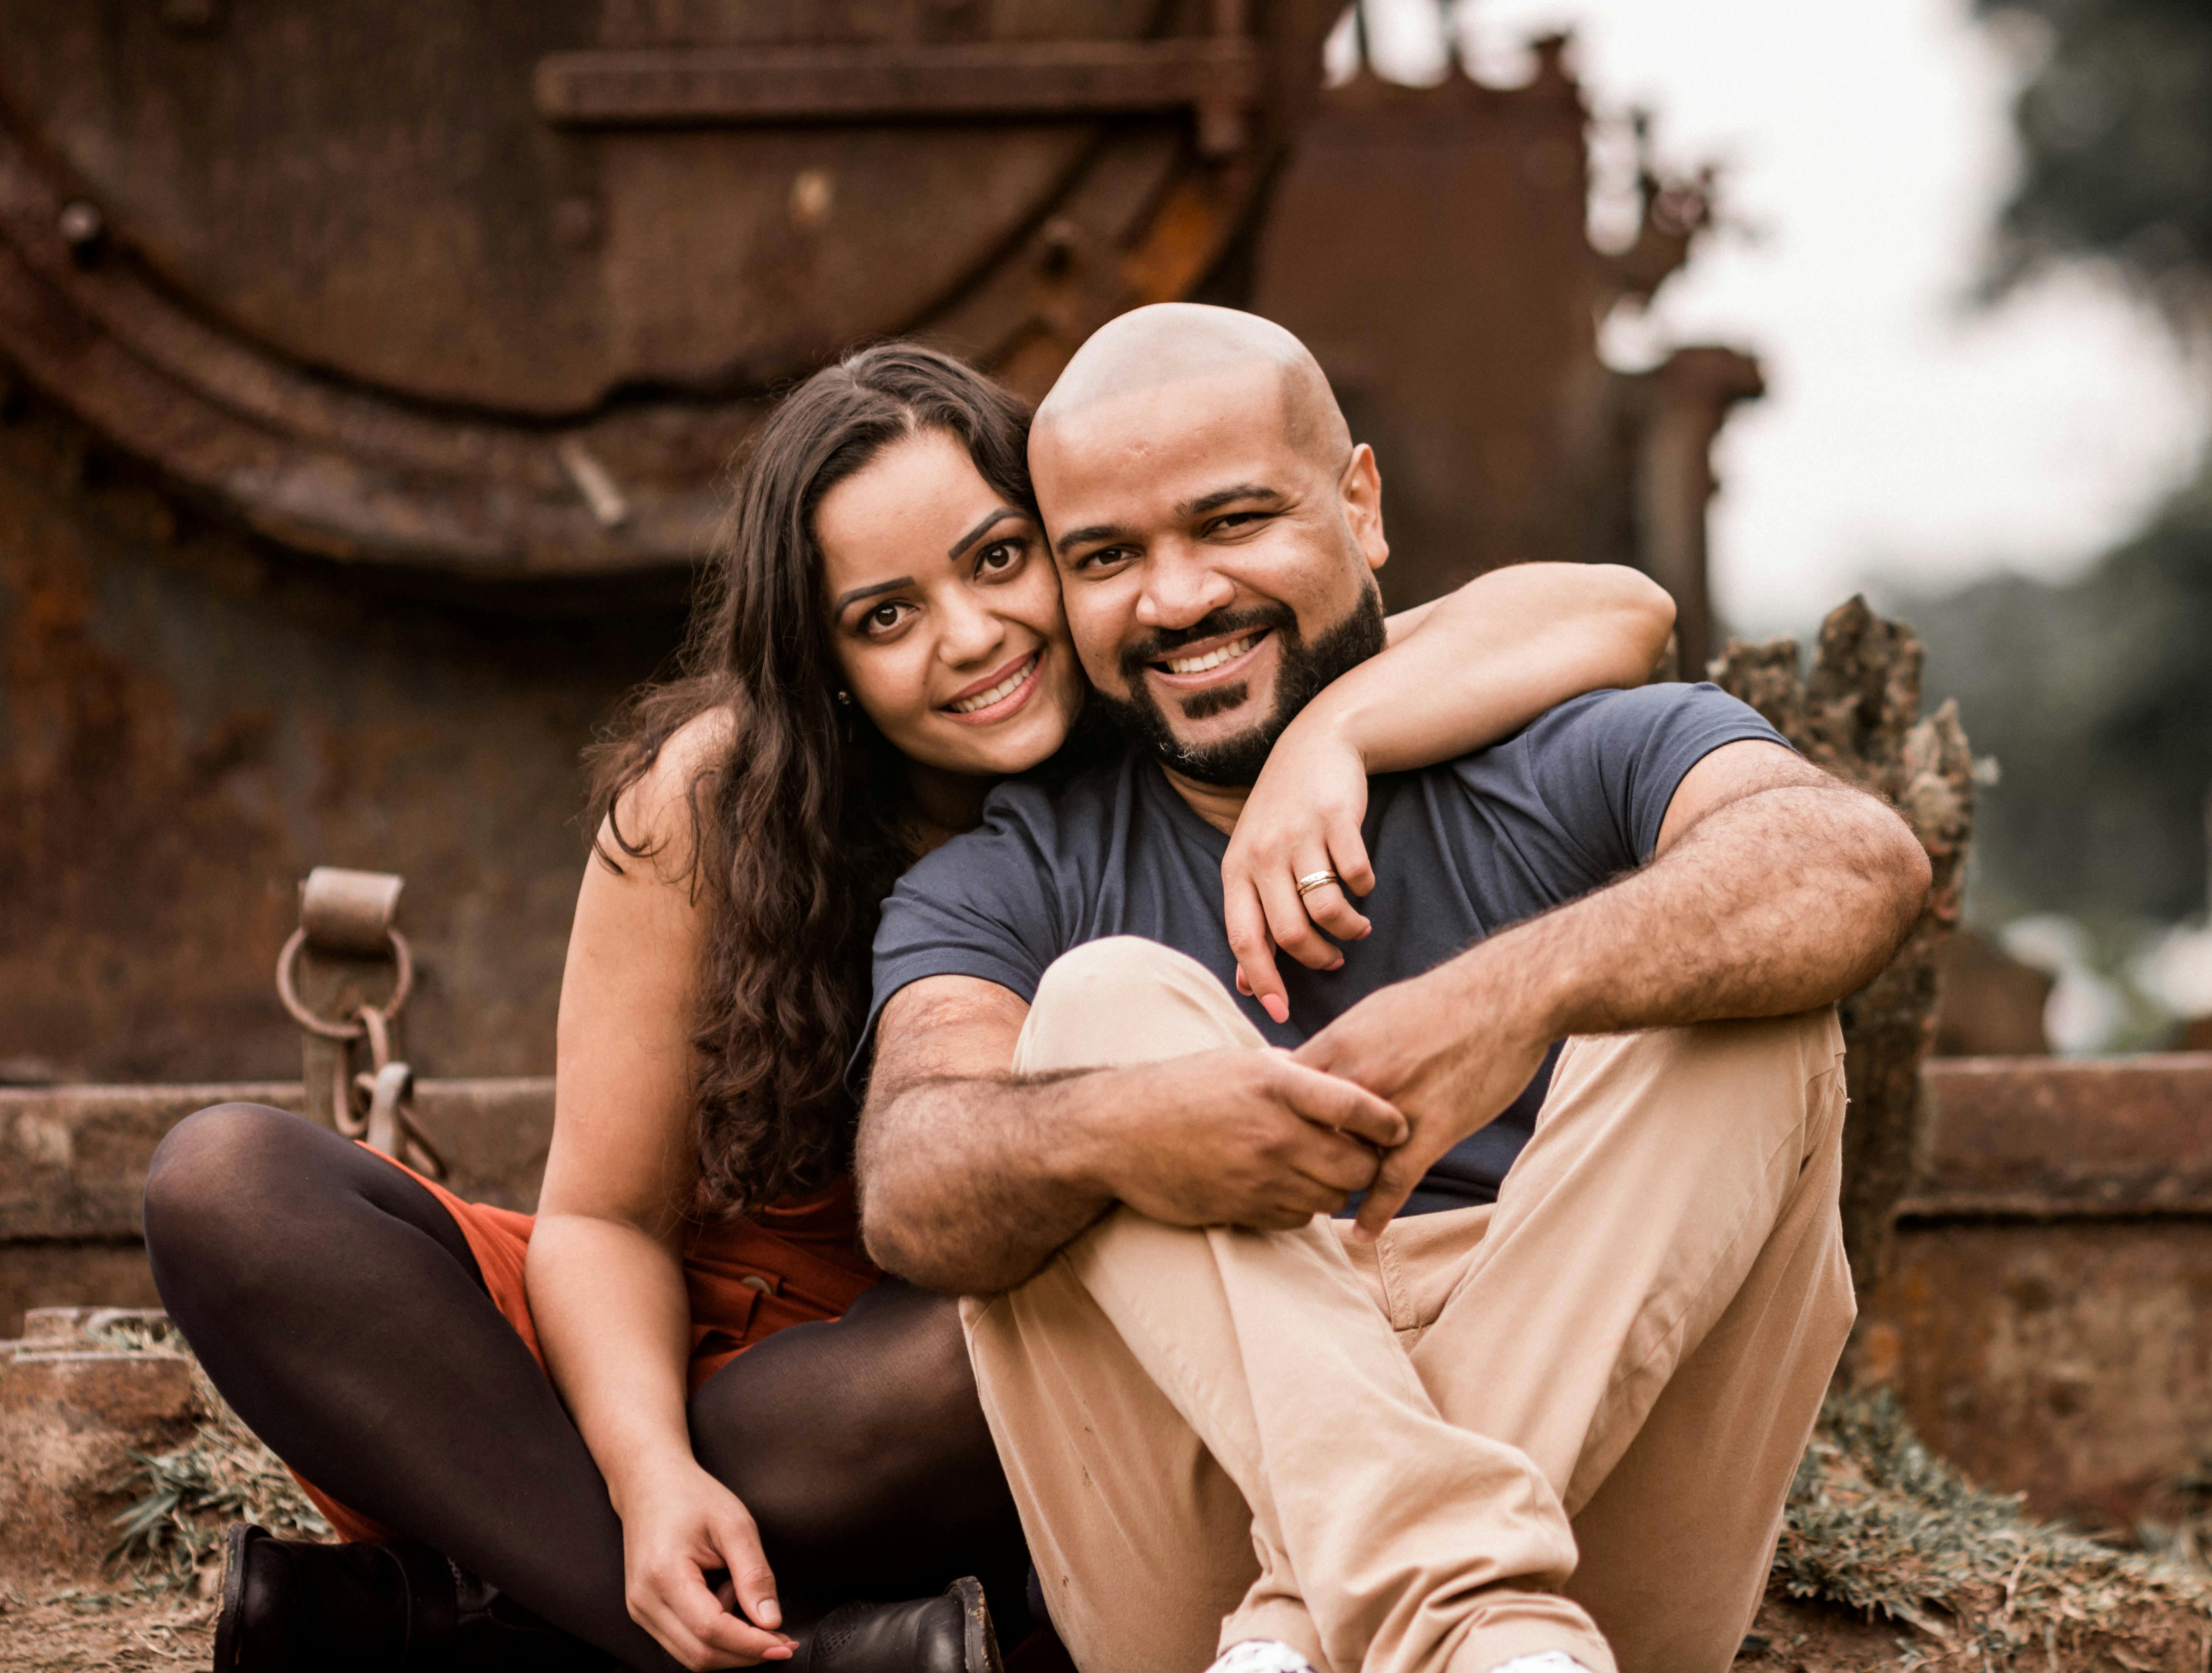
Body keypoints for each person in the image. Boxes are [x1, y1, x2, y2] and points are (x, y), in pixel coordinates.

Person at [140, 341, 1679, 1673]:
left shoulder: (1188, 680)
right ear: (821, 657)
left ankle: (461, 1620)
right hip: (695, 1390)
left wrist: (1334, 732)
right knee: (228, 1185)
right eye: (886, 616)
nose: (971, 638)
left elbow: (1611, 608)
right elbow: (603, 1222)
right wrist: (656, 1475)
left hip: (966, 1370)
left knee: (1060, 1277)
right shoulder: (716, 802)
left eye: (1001, 559)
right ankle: (761, 1648)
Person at [851, 304, 1936, 1673]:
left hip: (1601, 1540)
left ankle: (1324, 1620)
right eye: (1108, 558)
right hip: (1199, 1556)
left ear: (1359, 508)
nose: (1178, 597)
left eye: (1233, 522)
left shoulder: (1581, 752)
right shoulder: (1018, 876)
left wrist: (1513, 1001)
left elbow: (1850, 862)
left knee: (1745, 990)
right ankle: (1468, 1618)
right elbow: (913, 1174)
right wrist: (1138, 1132)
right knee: (1102, 1012)